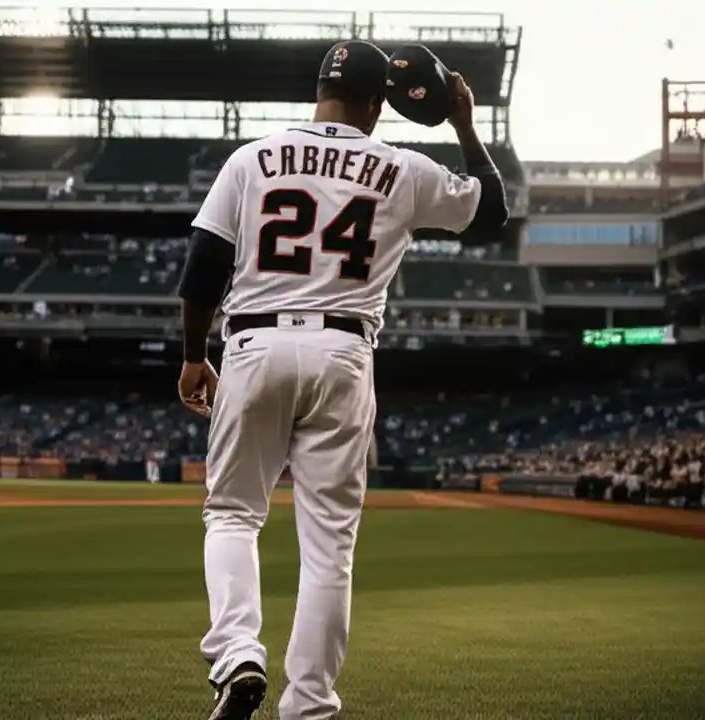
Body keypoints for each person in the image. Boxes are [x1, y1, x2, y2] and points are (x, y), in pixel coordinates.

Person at [175, 39, 509, 720]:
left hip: (254, 344)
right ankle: (309, 706)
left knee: (233, 514)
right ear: (378, 105)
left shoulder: (252, 158)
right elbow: (493, 212)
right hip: (344, 352)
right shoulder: (402, 167)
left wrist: (191, 355)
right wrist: (464, 123)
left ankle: (238, 653)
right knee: (330, 543)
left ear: (319, 91)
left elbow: (205, 262)